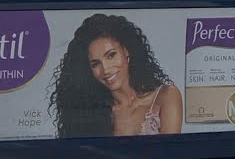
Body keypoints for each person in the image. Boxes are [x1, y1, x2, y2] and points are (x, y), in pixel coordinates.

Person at [48, 14, 182, 138]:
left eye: (111, 55)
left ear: (126, 51)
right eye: (95, 64)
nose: (105, 70)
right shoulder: (93, 117)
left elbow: (171, 154)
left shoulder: (166, 95)